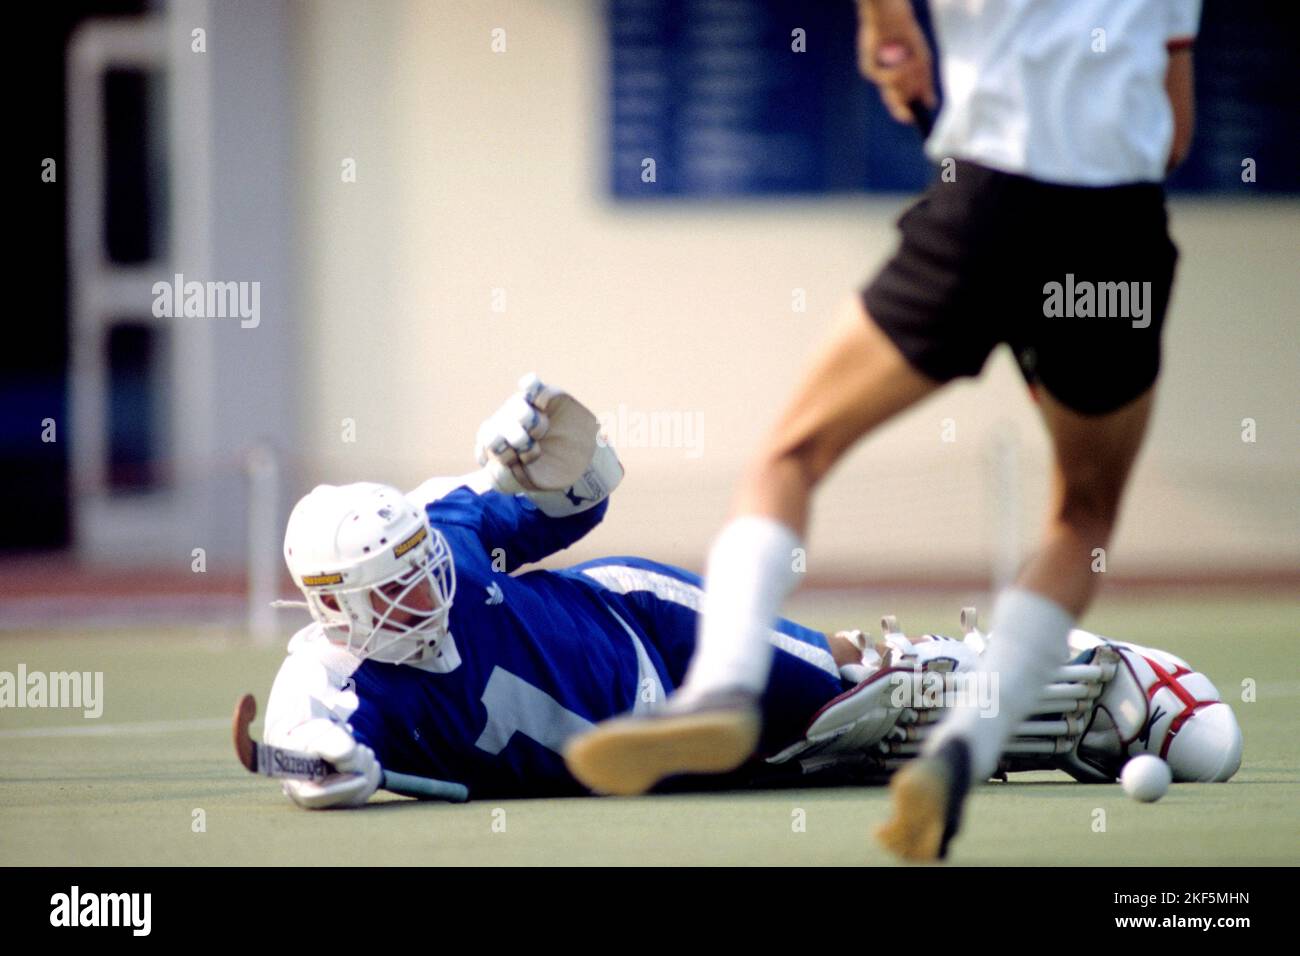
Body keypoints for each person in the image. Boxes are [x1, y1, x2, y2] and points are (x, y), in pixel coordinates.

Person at [563, 0, 1201, 861]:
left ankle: (720, 688)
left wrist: (885, 38)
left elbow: (895, 35)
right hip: (1119, 237)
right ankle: (965, 749)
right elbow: (1174, 133)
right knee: (1081, 516)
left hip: (985, 207)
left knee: (794, 452)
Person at [261, 377, 1239, 810]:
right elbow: (320, 756)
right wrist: (321, 763)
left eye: (414, 557)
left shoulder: (445, 522)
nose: (419, 581)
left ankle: (1109, 682)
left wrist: (556, 457)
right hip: (637, 762)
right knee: (838, 750)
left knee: (852, 689)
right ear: (333, 606)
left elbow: (578, 497)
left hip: (649, 631)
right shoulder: (337, 684)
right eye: (387, 583)